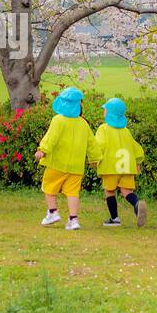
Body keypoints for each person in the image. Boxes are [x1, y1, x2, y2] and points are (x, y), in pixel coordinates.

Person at [34, 86, 98, 231]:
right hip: (76, 166)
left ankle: (52, 212)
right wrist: (95, 159)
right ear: (79, 104)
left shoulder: (58, 120)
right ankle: (73, 220)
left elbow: (51, 138)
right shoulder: (83, 123)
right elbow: (92, 144)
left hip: (57, 164)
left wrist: (42, 150)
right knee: (72, 192)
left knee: (48, 186)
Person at [89, 97, 148, 228]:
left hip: (110, 166)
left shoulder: (103, 129)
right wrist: (138, 162)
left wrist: (94, 159)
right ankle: (137, 204)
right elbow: (136, 148)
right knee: (127, 191)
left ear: (109, 113)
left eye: (105, 110)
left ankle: (115, 218)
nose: (103, 112)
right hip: (127, 166)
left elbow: (99, 145)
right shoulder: (126, 131)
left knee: (109, 191)